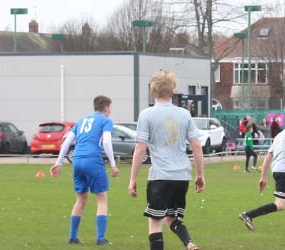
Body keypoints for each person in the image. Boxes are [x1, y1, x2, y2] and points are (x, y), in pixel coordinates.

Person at [128, 71, 206, 250]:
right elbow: (196, 145)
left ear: (152, 92)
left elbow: (140, 148)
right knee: (170, 217)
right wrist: (200, 174)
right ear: (173, 92)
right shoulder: (184, 114)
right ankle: (189, 242)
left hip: (160, 176)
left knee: (155, 221)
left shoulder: (146, 115)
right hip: (182, 177)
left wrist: (132, 179)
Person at [50, 96, 120, 245]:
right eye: (110, 108)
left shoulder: (81, 121)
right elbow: (107, 142)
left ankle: (72, 237)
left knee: (81, 200)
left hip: (77, 161)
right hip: (93, 160)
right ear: (106, 108)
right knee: (101, 199)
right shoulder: (105, 120)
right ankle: (100, 239)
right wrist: (113, 164)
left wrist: (58, 163)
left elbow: (67, 141)